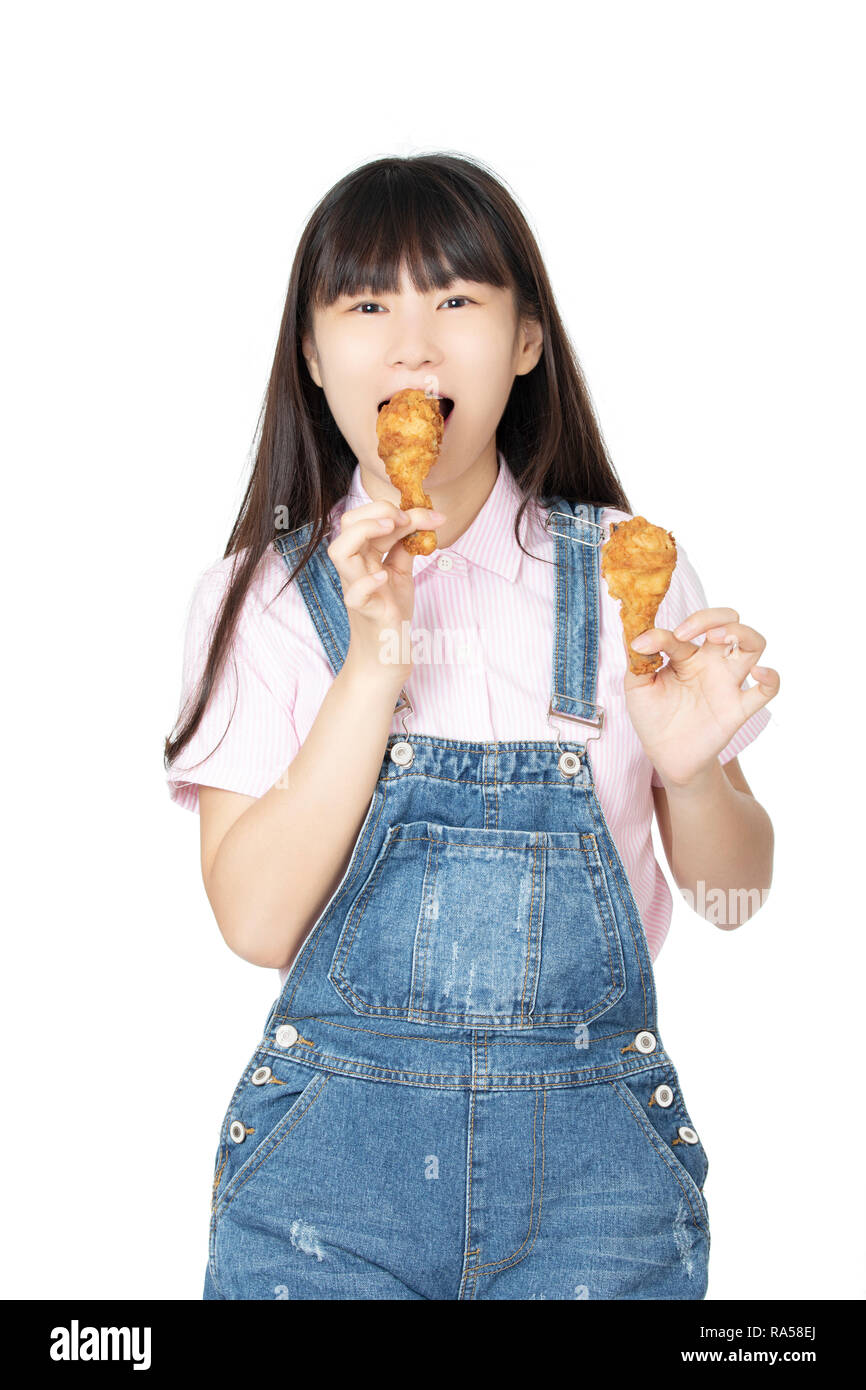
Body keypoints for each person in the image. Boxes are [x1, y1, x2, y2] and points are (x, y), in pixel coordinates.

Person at [164, 153, 779, 1300]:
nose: (413, 348)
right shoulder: (259, 600)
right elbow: (253, 919)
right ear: (310, 352)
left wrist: (693, 777)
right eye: (365, 306)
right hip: (330, 1192)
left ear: (525, 338)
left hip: (595, 1189)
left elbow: (732, 891)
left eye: (454, 299)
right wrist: (373, 664)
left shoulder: (629, 574)